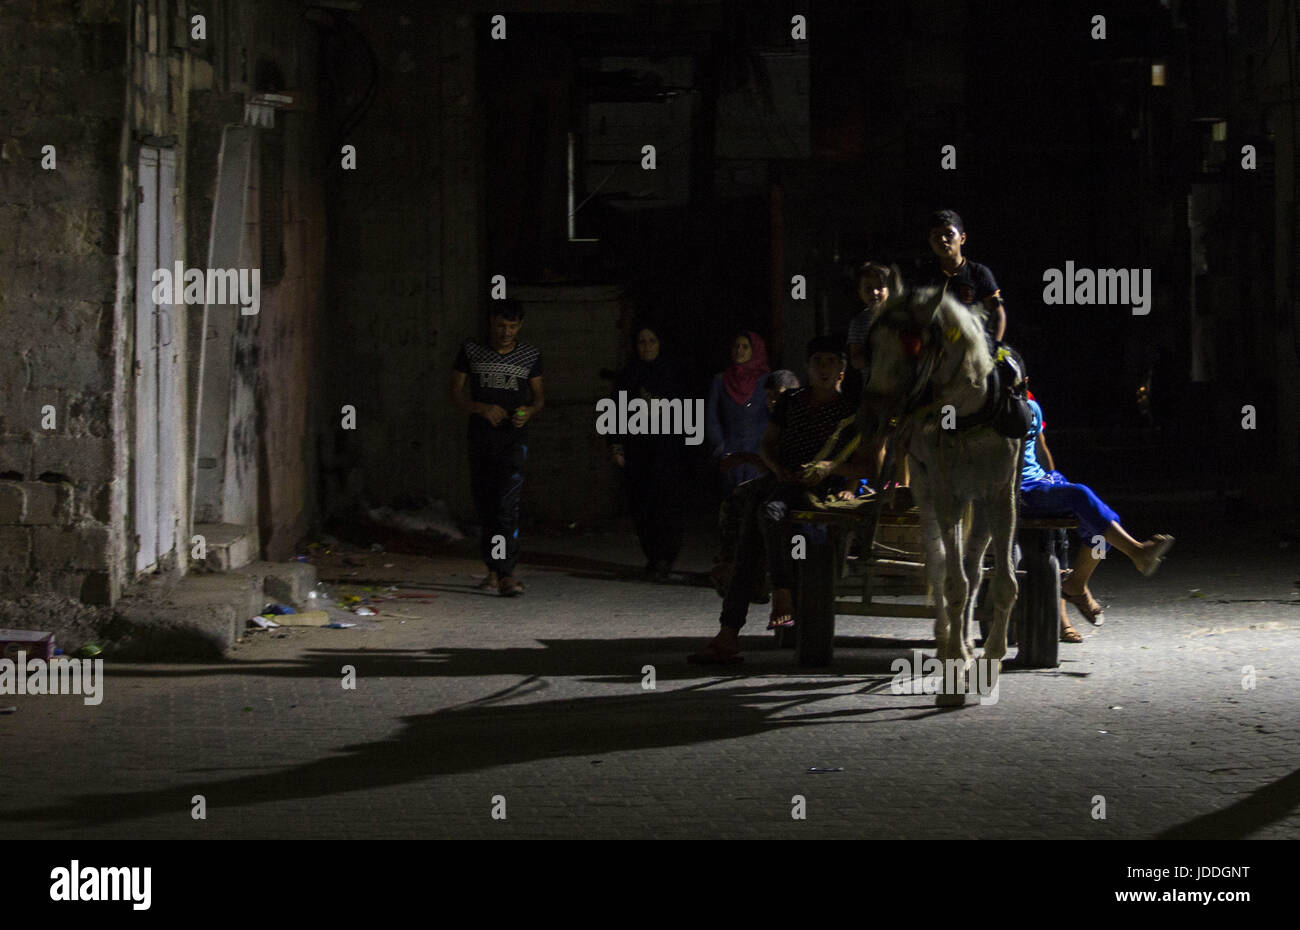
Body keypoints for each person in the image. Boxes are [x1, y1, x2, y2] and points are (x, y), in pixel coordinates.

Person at [691, 337, 867, 665]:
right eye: (818, 361)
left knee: (761, 524)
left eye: (831, 361)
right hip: (783, 483)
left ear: (842, 369)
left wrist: (846, 481)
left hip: (821, 489)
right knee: (757, 522)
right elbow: (767, 445)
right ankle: (747, 620)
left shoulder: (851, 411)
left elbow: (865, 462)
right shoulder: (791, 403)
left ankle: (766, 606)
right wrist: (778, 469)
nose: (824, 368)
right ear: (808, 368)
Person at [1020, 394, 1174, 633]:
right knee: (1081, 496)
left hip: (1040, 483)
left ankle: (1077, 582)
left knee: (1102, 528)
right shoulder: (989, 408)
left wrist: (1056, 485)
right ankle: (1136, 552)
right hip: (1019, 490)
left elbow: (1040, 447)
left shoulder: (1030, 405)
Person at [449, 299, 544, 597]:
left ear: (520, 326)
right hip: (480, 439)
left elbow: (539, 397)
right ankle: (492, 568)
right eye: (502, 325)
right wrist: (480, 407)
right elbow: (456, 393)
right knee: (486, 506)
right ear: (491, 323)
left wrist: (527, 412)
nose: (506, 332)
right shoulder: (471, 351)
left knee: (506, 507)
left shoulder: (530, 355)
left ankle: (506, 574)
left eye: (513, 326)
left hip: (513, 441)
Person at [710, 369, 801, 597]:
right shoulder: (771, 421)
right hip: (776, 482)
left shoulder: (799, 419)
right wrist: (746, 458)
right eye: (769, 396)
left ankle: (747, 573)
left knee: (756, 509)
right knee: (737, 501)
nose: (772, 402)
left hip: (796, 486)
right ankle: (737, 568)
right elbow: (770, 466)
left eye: (778, 396)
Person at [607, 323, 687, 580]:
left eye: (652, 341)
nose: (647, 346)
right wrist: (616, 444)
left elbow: (686, 410)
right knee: (642, 503)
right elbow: (615, 411)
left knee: (667, 502)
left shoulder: (672, 374)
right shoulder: (628, 375)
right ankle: (652, 556)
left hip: (667, 449)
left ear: (660, 343)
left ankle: (666, 556)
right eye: (642, 341)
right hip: (637, 449)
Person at [923, 209, 1005, 350]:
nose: (943, 240)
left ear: (962, 238)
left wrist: (994, 347)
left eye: (949, 235)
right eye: (936, 236)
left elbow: (998, 314)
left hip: (974, 346)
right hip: (935, 349)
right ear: (930, 241)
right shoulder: (925, 274)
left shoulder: (978, 273)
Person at [706, 331, 771, 492]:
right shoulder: (721, 380)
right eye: (736, 346)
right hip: (731, 451)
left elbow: (773, 415)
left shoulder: (766, 380)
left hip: (758, 452)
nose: (739, 351)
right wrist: (721, 447)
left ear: (754, 350)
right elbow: (711, 417)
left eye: (745, 347)